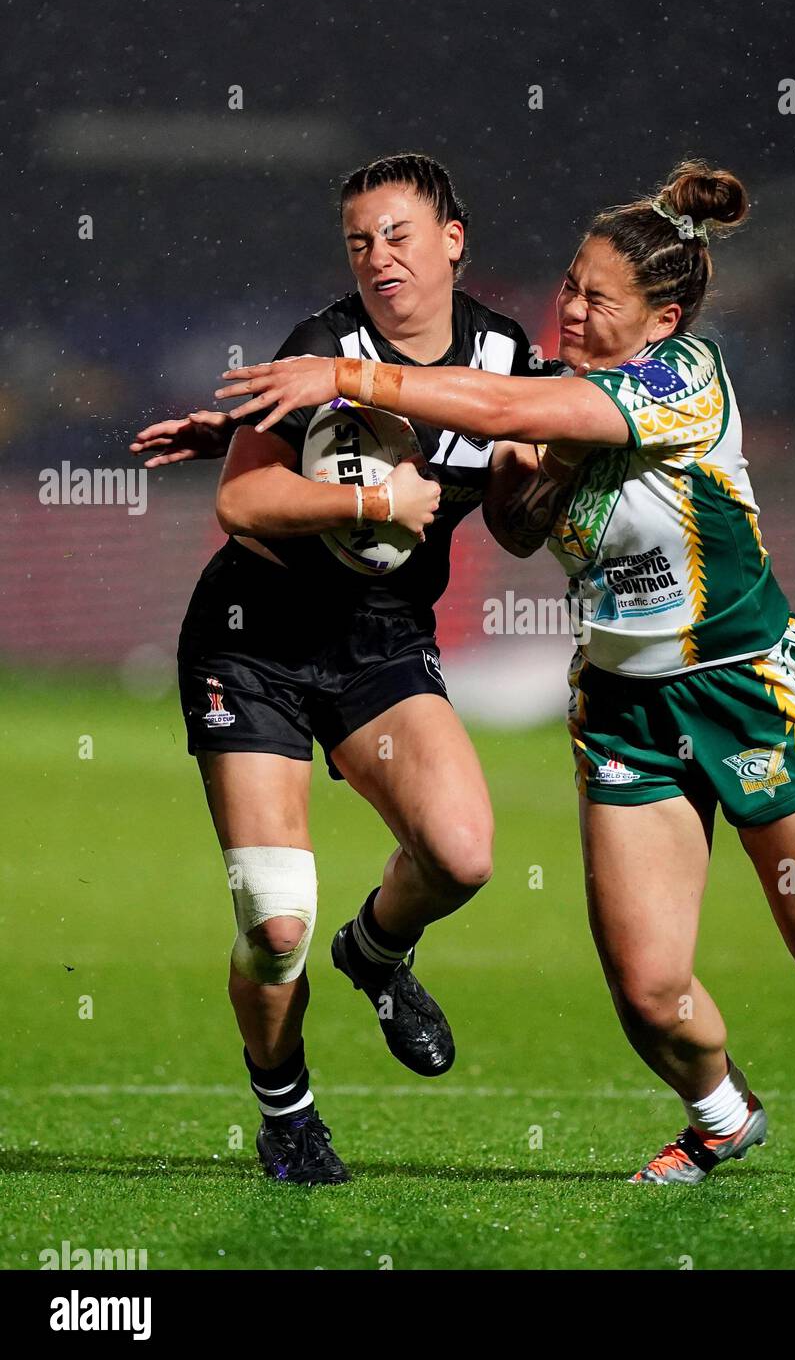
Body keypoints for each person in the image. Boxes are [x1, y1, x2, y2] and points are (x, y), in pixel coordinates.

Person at [218, 159, 795, 1185]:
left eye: (595, 297)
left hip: (747, 688)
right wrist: (332, 462)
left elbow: (503, 412)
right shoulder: (546, 392)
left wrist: (349, 376)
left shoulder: (685, 381)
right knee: (646, 986)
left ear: (661, 320)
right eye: (569, 285)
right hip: (623, 706)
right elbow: (508, 492)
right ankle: (720, 1113)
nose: (567, 309)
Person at [132, 153, 575, 1185]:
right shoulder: (325, 345)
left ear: (453, 242)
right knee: (275, 921)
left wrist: (536, 485)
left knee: (461, 855)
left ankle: (374, 953)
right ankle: (285, 1107)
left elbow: (510, 526)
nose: (378, 258)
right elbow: (243, 506)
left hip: (378, 639)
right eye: (359, 241)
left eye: (399, 235)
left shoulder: (507, 357)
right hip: (254, 640)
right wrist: (371, 501)